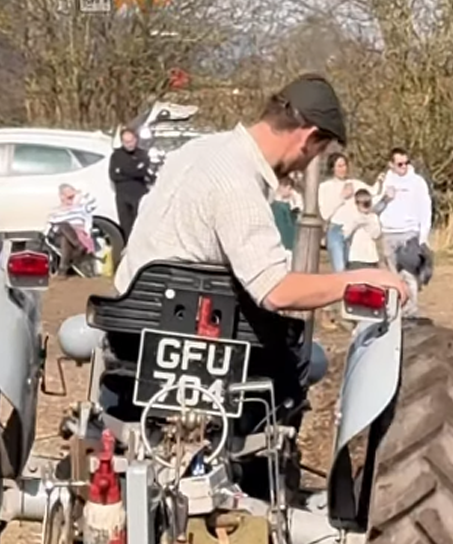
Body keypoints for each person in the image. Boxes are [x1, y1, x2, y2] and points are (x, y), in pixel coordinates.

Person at [113, 74, 409, 409]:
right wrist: (360, 278)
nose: (306, 164)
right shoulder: (238, 181)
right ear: (309, 138)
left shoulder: (197, 150)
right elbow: (275, 290)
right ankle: (264, 454)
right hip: (186, 334)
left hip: (126, 328)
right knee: (303, 360)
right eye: (316, 153)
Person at [373, 148, 433, 317]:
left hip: (409, 233)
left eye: (406, 163)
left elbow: (425, 209)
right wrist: (385, 197)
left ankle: (411, 309)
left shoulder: (417, 182)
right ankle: (395, 310)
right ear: (391, 164)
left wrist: (423, 237)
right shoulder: (385, 181)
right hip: (389, 233)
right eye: (400, 164)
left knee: (408, 275)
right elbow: (373, 209)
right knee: (392, 276)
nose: (404, 167)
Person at [318, 153, 370, 272]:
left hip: (353, 230)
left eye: (344, 165)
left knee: (350, 269)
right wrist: (342, 196)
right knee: (340, 269)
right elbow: (325, 213)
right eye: (339, 166)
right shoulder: (325, 187)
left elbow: (372, 193)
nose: (343, 169)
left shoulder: (355, 184)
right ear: (332, 168)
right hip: (336, 230)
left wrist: (382, 182)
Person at [109, 128, 150, 243]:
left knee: (141, 224)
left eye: (131, 141)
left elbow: (143, 172)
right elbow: (114, 175)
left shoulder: (142, 154)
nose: (129, 144)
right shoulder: (116, 155)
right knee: (126, 225)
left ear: (136, 140)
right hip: (122, 195)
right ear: (122, 142)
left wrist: (123, 171)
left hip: (139, 194)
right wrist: (135, 170)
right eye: (126, 142)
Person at [48, 183, 97, 276]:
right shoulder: (55, 211)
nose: (71, 199)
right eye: (69, 197)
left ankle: (63, 270)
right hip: (59, 234)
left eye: (73, 196)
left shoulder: (81, 208)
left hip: (78, 235)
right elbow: (50, 228)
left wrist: (79, 195)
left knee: (65, 239)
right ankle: (78, 245)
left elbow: (93, 201)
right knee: (64, 225)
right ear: (61, 196)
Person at [331, 188, 385, 270]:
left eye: (368, 203)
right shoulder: (352, 216)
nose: (365, 206)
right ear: (357, 203)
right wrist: (355, 224)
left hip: (371, 258)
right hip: (355, 258)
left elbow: (376, 235)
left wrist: (368, 223)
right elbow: (345, 236)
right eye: (363, 203)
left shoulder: (373, 217)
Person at [270, 175, 300, 250]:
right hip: (284, 240)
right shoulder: (277, 206)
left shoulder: (288, 203)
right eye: (289, 188)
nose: (291, 191)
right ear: (282, 187)